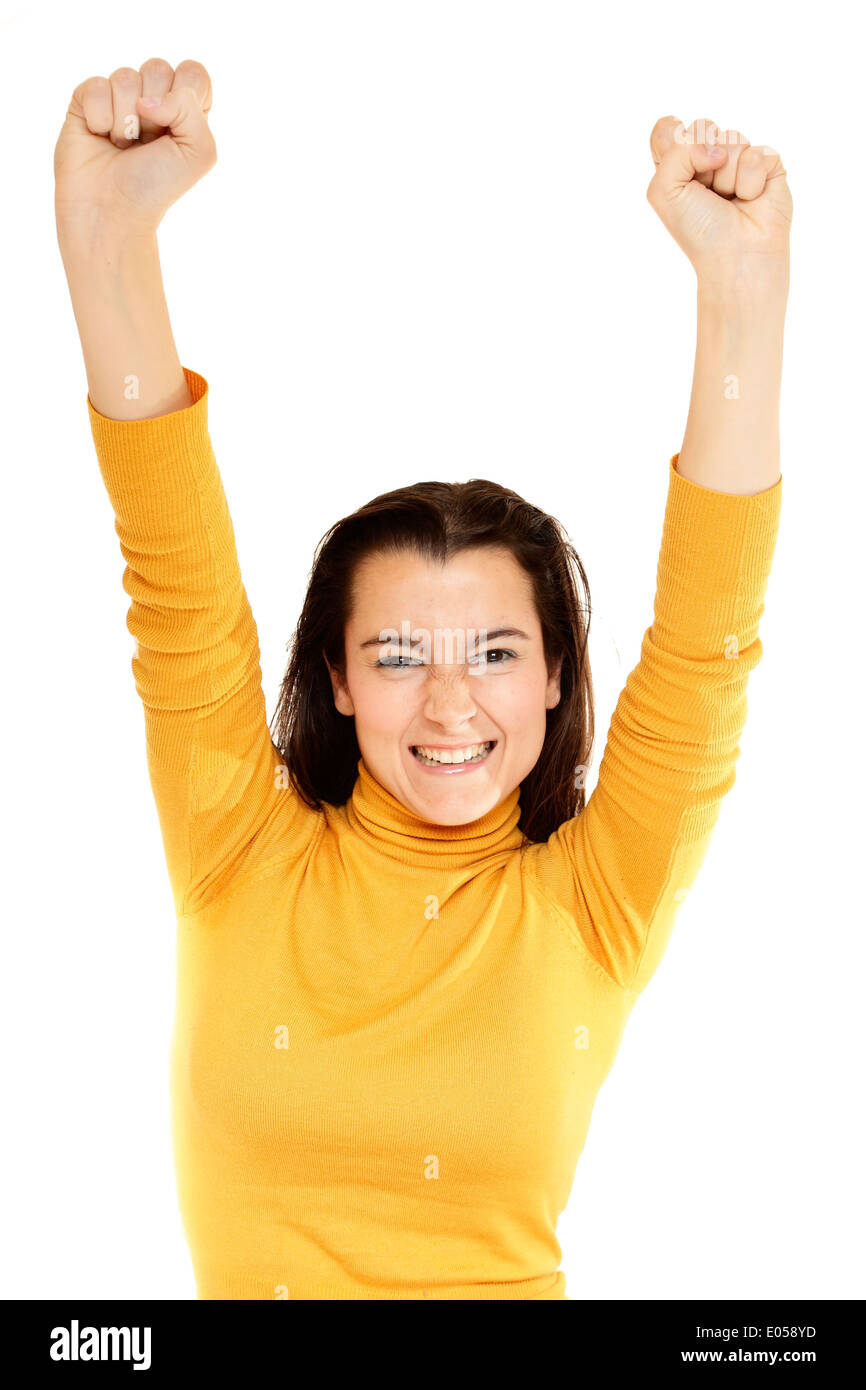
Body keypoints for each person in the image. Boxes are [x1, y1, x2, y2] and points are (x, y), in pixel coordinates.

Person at [54, 61, 791, 1300]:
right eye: (398, 656)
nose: (449, 705)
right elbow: (172, 576)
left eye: (494, 653)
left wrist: (741, 287)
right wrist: (107, 240)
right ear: (337, 679)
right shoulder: (239, 847)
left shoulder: (596, 904)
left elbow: (705, 648)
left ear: (556, 676)